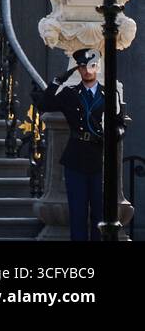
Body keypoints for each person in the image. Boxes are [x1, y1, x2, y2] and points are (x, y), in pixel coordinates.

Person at [38, 48, 127, 241]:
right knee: (77, 214)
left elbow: (120, 123)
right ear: (78, 69)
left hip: (101, 159)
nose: (87, 70)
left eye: (91, 66)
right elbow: (44, 104)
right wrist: (57, 81)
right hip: (76, 159)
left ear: (97, 67)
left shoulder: (110, 95)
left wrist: (116, 134)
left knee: (100, 215)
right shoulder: (70, 94)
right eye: (83, 67)